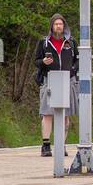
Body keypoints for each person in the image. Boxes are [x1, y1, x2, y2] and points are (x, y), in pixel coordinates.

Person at [35, 13, 77, 157]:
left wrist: (72, 70)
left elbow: (78, 59)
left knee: (65, 114)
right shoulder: (44, 42)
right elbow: (36, 61)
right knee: (47, 113)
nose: (58, 26)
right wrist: (43, 63)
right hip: (49, 79)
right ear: (52, 26)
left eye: (61, 24)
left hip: (67, 79)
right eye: (56, 24)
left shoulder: (70, 42)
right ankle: (46, 145)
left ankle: (61, 144)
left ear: (64, 26)